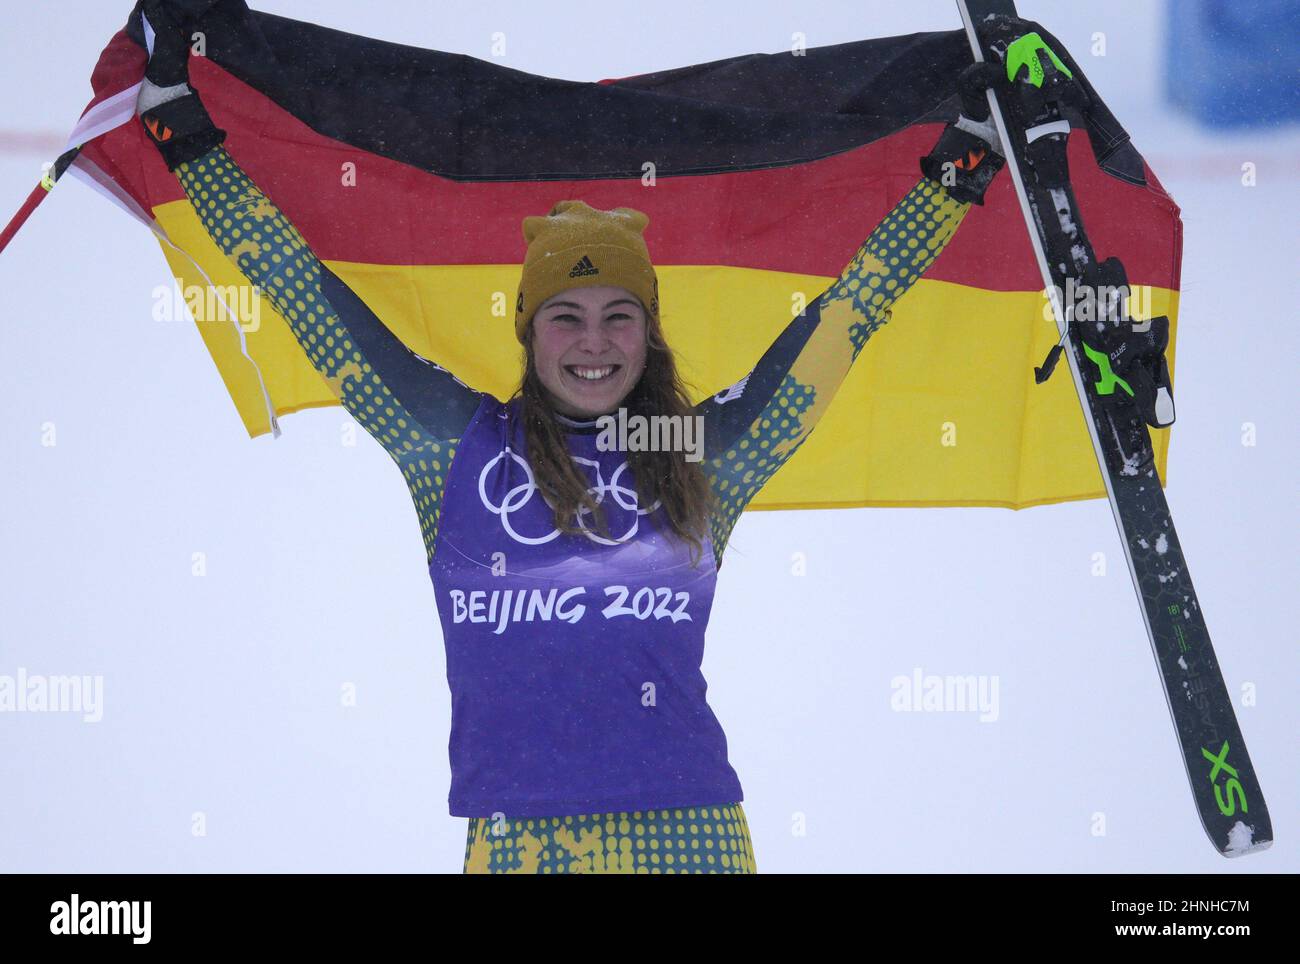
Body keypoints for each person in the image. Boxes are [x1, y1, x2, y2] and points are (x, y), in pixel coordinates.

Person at [133, 0, 1012, 873]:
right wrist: (184, 135)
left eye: (619, 315)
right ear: (527, 330)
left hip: (693, 840)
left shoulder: (705, 455)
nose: (594, 342)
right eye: (567, 316)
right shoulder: (451, 445)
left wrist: (959, 170)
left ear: (649, 331)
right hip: (518, 845)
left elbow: (848, 313)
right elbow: (298, 289)